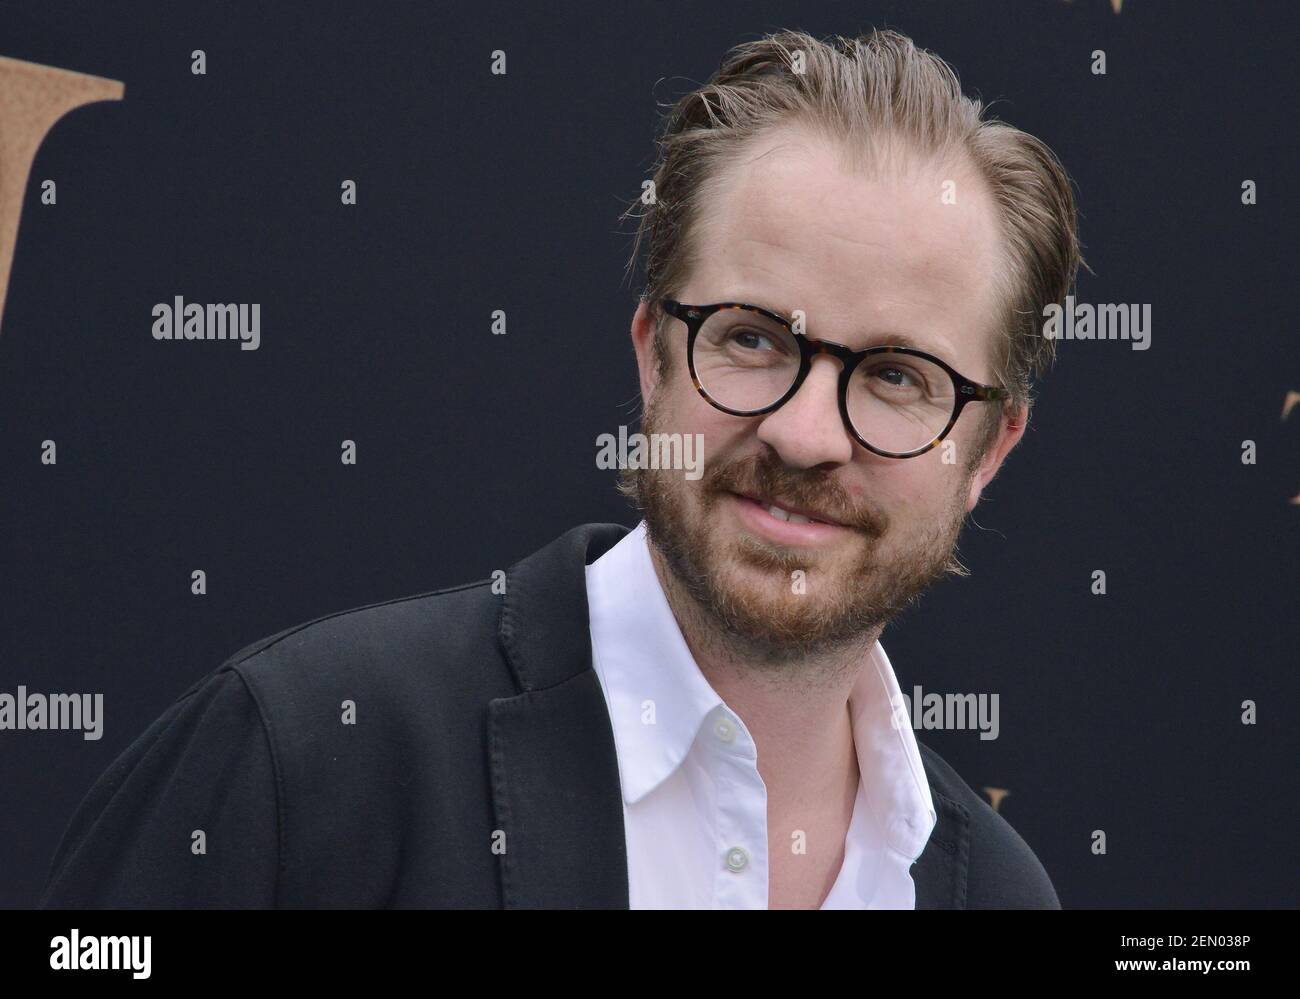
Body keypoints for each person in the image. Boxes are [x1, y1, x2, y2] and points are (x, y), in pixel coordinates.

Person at [41, 27, 1080, 909]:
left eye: (897, 376)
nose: (806, 435)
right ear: (651, 354)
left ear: (989, 450)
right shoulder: (300, 762)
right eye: (754, 339)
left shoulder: (996, 893)